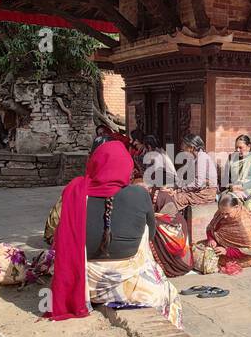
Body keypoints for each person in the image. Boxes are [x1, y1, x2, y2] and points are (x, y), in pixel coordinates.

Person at [51, 140, 182, 326]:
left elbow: (60, 237)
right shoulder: (139, 194)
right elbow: (151, 234)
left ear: (94, 164)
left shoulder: (75, 192)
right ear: (127, 167)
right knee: (168, 292)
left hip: (82, 283)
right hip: (131, 284)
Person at [205, 192, 251, 273]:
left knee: (209, 261)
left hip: (243, 256)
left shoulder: (244, 224)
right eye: (222, 213)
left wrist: (226, 251)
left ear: (236, 207)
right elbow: (211, 228)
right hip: (220, 247)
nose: (224, 216)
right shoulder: (222, 212)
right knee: (200, 252)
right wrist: (211, 239)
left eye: (227, 213)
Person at [224, 134, 251, 242]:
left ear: (248, 146)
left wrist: (242, 186)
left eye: (240, 147)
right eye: (236, 147)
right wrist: (231, 187)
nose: (237, 150)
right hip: (234, 189)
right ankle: (234, 238)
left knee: (249, 206)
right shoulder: (232, 159)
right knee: (230, 206)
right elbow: (226, 179)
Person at [168, 134, 218, 210]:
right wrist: (175, 187)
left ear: (191, 148)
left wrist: (179, 190)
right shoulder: (195, 159)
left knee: (174, 199)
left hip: (205, 194)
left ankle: (170, 220)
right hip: (199, 191)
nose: (182, 151)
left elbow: (198, 183)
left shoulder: (202, 158)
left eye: (184, 149)